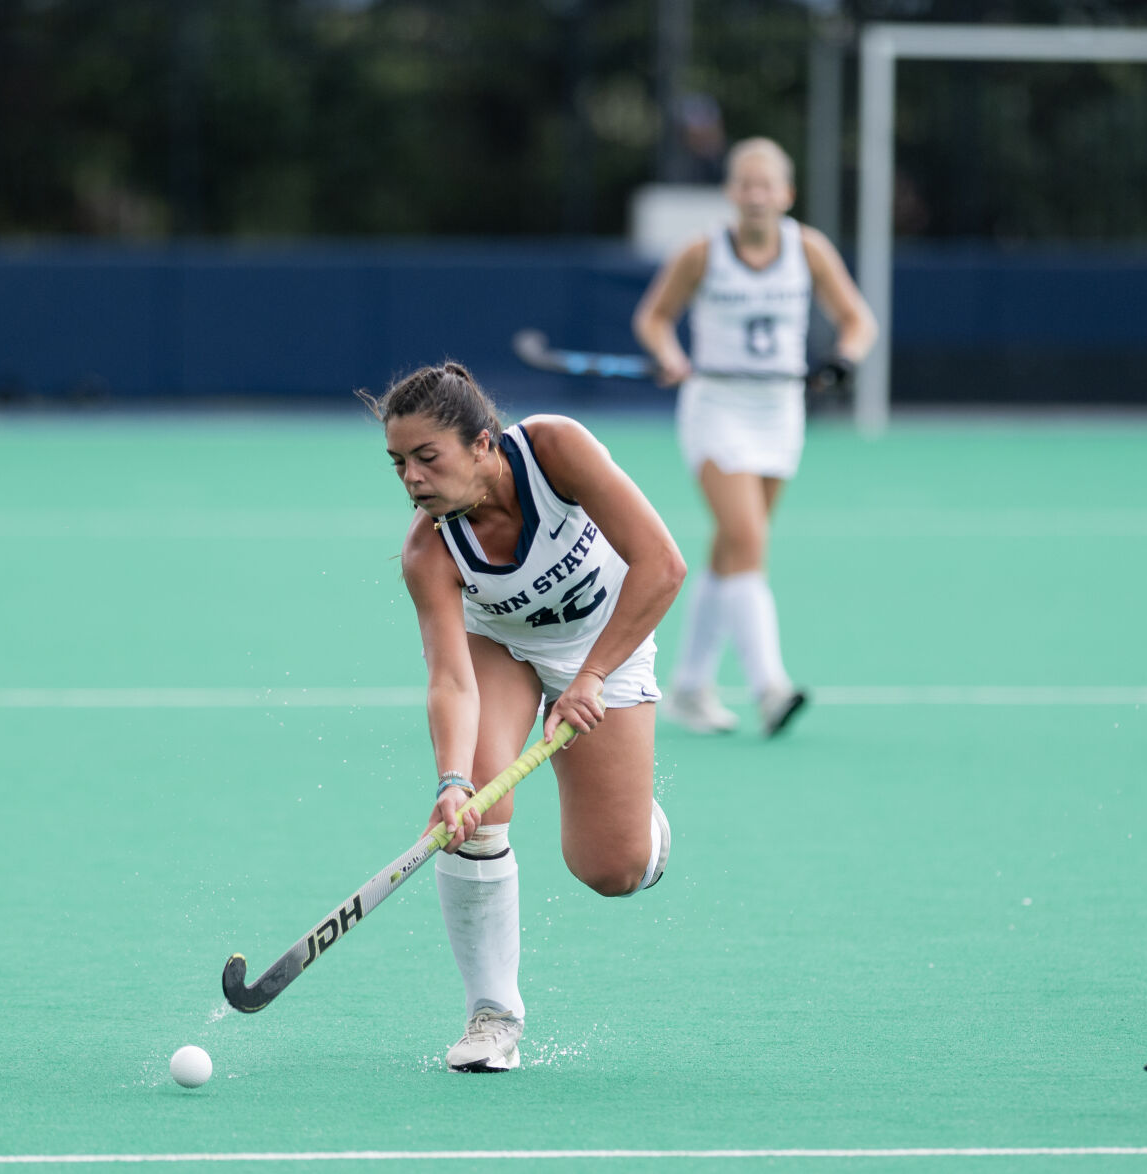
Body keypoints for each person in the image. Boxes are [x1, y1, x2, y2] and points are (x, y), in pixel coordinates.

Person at [362, 361, 686, 1072]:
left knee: (610, 870)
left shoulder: (554, 450)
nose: (412, 479)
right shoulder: (429, 551)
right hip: (502, 648)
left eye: (426, 457)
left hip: (608, 642)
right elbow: (450, 679)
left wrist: (593, 676)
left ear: (483, 443)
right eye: (398, 464)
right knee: (479, 799)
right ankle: (492, 1017)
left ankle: (639, 823)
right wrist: (450, 780)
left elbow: (661, 564)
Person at [633, 137, 877, 737]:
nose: (756, 195)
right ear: (730, 193)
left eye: (767, 185)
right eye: (746, 184)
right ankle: (771, 686)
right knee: (747, 540)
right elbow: (654, 317)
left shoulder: (808, 248)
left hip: (779, 413)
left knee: (733, 548)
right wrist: (670, 355)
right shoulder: (703, 252)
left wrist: (843, 359)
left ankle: (689, 686)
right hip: (716, 409)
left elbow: (859, 321)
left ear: (786, 194)